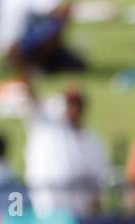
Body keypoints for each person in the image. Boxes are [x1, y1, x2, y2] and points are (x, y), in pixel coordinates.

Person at [23, 84, 107, 216]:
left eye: (76, 105)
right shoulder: (46, 126)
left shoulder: (92, 139)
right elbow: (31, 96)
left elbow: (96, 180)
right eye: (69, 105)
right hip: (46, 203)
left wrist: (98, 209)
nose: (73, 109)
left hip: (79, 209)